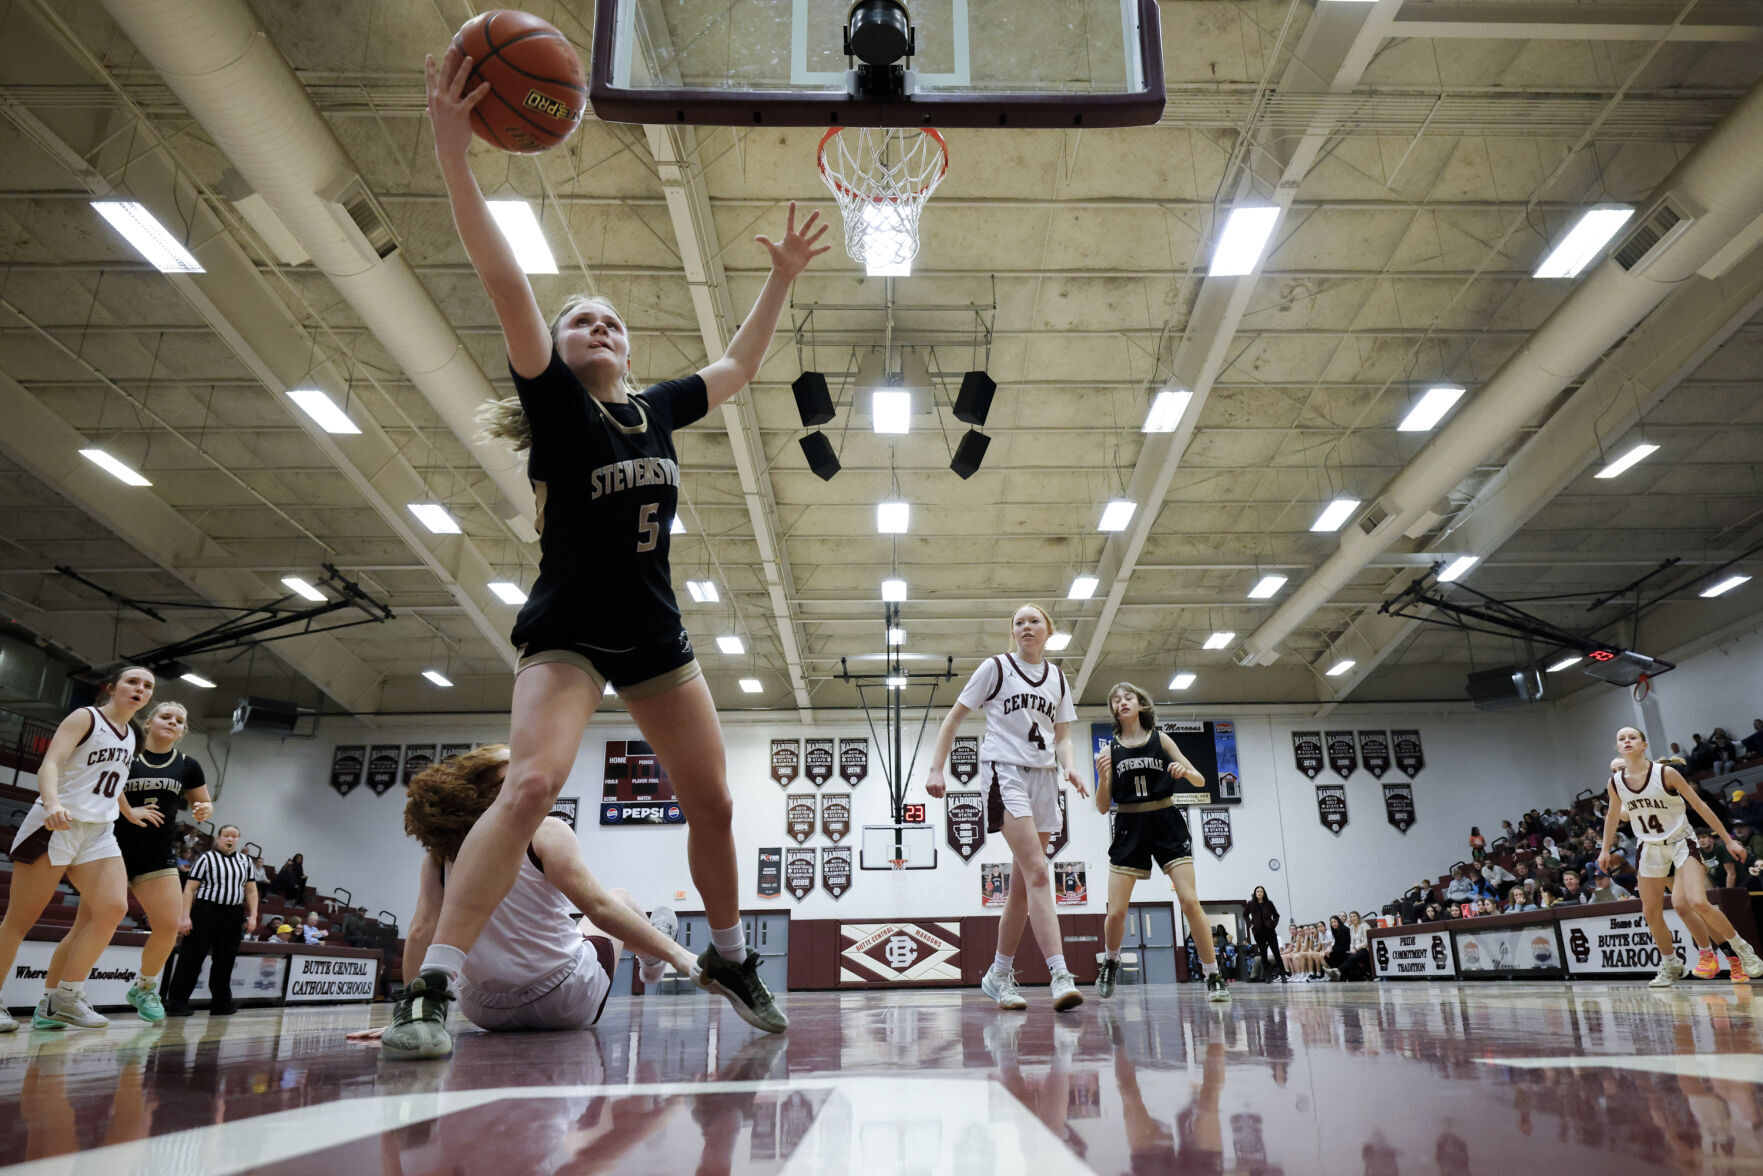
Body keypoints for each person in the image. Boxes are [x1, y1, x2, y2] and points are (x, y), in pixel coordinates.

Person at [382, 47, 829, 1063]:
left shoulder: (658, 408)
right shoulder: (553, 401)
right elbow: (503, 279)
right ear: (560, 343)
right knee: (530, 785)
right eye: (581, 316)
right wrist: (456, 154)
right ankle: (432, 987)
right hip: (569, 628)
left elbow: (742, 364)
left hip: (652, 628)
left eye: (612, 321)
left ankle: (725, 954)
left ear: (627, 353)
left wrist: (780, 278)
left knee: (713, 801)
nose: (600, 325)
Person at [349, 746, 741, 1051]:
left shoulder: (440, 856)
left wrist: (411, 1016)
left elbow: (420, 933)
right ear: (493, 788)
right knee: (617, 896)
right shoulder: (545, 830)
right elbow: (600, 909)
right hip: (563, 1000)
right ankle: (653, 959)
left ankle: (650, 957)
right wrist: (682, 956)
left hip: (484, 1011)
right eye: (515, 767)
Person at [927, 604, 1088, 1012]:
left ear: (1048, 631)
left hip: (1045, 778)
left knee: (1020, 890)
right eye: (1019, 622)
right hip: (1004, 774)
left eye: (1034, 620)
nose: (1026, 627)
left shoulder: (1057, 677)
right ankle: (1060, 975)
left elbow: (1063, 734)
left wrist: (1070, 767)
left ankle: (998, 974)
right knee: (1038, 871)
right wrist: (936, 768)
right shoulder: (996, 668)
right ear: (1012, 633)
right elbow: (953, 717)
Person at [0, 666, 160, 1033]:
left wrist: (127, 809)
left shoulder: (132, 735)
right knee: (19, 922)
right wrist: (52, 802)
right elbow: (51, 763)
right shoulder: (85, 717)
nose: (140, 688)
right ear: (112, 688)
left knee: (113, 908)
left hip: (99, 831)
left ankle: (62, 998)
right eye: (132, 682)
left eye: (147, 685)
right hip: (56, 824)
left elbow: (112, 778)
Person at [37, 700, 213, 1024]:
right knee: (81, 929)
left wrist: (204, 809)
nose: (172, 722)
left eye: (179, 720)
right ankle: (49, 1002)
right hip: (108, 849)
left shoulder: (189, 765)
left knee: (169, 926)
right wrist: (128, 811)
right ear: (149, 722)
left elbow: (203, 802)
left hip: (157, 856)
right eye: (165, 716)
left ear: (184, 730)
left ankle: (145, 987)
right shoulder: (126, 754)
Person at [1089, 682, 1227, 1002]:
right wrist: (1105, 778)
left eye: (1128, 698)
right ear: (1113, 709)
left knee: (1190, 902)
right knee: (1116, 912)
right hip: (1128, 824)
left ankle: (1213, 975)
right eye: (1116, 699)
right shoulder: (1109, 751)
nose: (1122, 702)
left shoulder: (1161, 739)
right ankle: (1110, 961)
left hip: (1166, 820)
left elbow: (1200, 779)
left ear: (1141, 704)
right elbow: (1100, 807)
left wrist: (1183, 770)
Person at [1602, 726, 1762, 986]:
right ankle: (1678, 962)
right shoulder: (1618, 786)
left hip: (1680, 842)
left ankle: (1738, 953)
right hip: (1652, 849)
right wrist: (1604, 849)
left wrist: (1728, 839)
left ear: (1643, 745)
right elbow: (1614, 816)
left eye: (1632, 737)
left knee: (1695, 903)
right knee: (1665, 909)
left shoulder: (1664, 774)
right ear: (1617, 747)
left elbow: (1700, 806)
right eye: (1621, 739)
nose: (1627, 741)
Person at [163, 823, 257, 1016]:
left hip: (233, 914)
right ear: (218, 838)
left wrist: (254, 915)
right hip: (206, 911)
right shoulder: (206, 858)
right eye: (226, 836)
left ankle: (221, 1004)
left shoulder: (246, 862)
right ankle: (177, 1003)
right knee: (192, 958)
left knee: (226, 960)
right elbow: (189, 889)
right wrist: (185, 916)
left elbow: (251, 890)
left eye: (234, 836)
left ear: (238, 839)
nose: (230, 839)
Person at [1244, 884, 1286, 982]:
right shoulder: (1250, 903)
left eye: (1261, 891)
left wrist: (1273, 925)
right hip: (1258, 932)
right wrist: (1250, 924)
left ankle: (1283, 974)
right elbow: (1245, 915)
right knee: (1263, 954)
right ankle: (1268, 976)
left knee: (1276, 953)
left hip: (1270, 931)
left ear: (1264, 893)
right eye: (1257, 891)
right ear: (1255, 893)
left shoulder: (1269, 903)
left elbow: (1276, 916)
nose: (1259, 893)